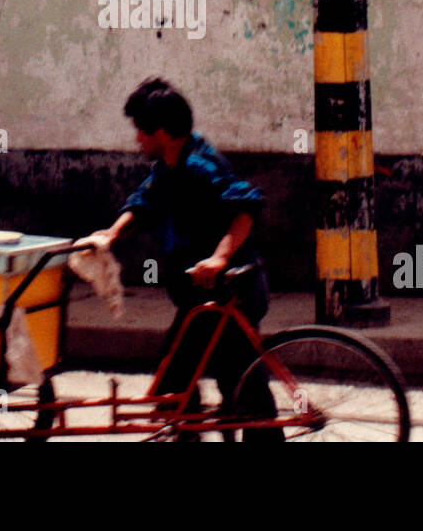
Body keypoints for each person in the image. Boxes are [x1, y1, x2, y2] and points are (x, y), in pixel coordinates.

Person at [87, 77, 281, 440]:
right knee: (203, 380)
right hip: (202, 298)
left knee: (208, 381)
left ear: (163, 131)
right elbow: (144, 203)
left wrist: (219, 257)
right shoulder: (169, 165)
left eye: (142, 131)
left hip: (231, 290)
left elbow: (245, 208)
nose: (137, 139)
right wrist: (112, 233)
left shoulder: (198, 167)